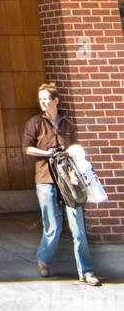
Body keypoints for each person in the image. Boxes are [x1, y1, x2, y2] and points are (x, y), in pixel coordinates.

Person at [23, 83, 100, 286]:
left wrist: (74, 156)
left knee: (78, 226)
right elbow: (27, 148)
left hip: (68, 178)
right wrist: (45, 153)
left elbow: (75, 147)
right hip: (45, 178)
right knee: (53, 226)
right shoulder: (35, 123)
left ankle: (87, 271)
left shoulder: (67, 123)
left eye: (46, 99)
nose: (42, 102)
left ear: (56, 101)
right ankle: (44, 260)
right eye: (40, 99)